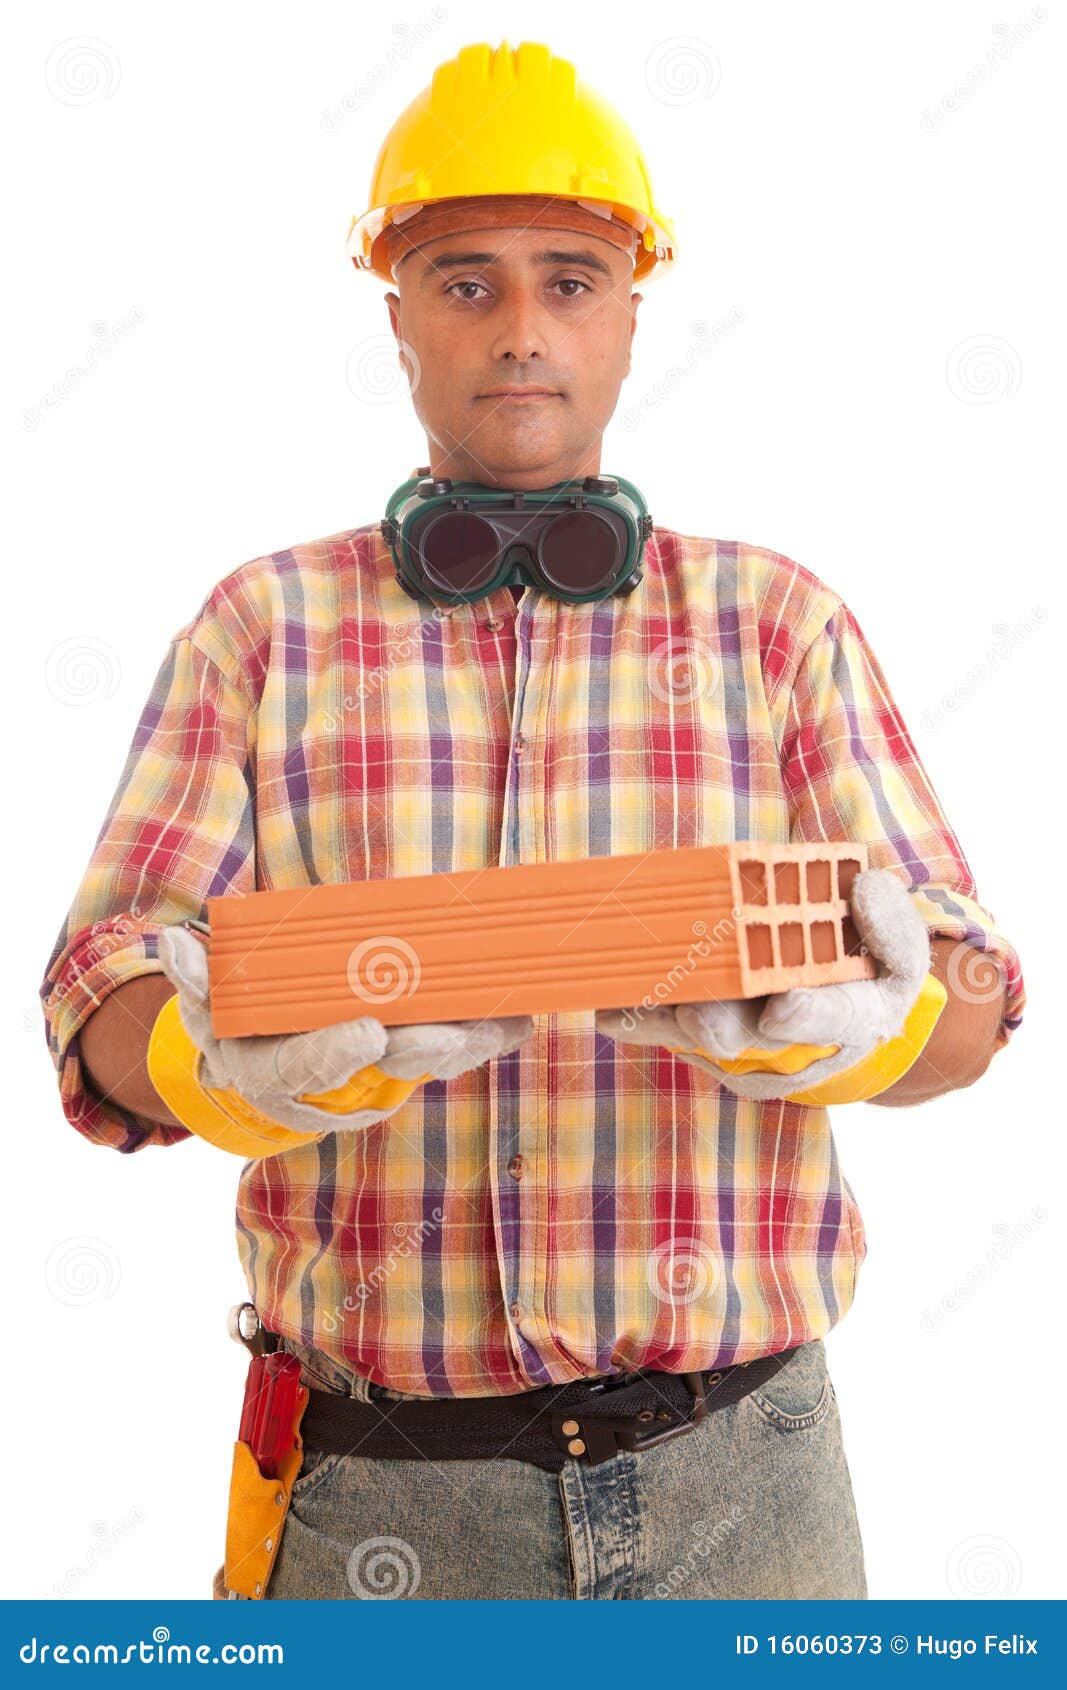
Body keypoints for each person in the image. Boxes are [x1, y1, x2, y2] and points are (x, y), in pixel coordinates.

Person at [39, 40, 1025, 1602]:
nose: (518, 330)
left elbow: (977, 994)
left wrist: (850, 1019)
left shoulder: (778, 626)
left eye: (569, 281)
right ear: (399, 319)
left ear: (632, 314)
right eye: (464, 281)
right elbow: (96, 989)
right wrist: (217, 1058)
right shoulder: (261, 628)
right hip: (385, 1498)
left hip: (749, 1487)